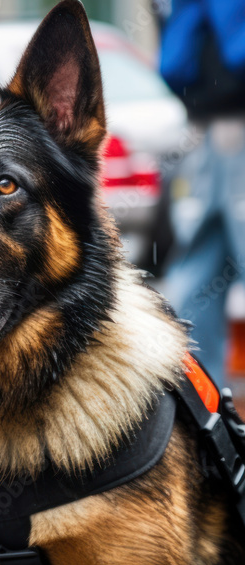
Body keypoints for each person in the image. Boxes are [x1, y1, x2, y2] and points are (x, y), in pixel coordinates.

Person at [160, 0, 245, 387]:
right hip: (232, 123)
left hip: (204, 125)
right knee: (200, 269)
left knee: (198, 268)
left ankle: (201, 400)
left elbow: (173, 65)